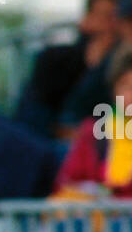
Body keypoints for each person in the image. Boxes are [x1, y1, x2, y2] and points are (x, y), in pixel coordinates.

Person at [15, 0, 120, 141]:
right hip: (51, 136)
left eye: (110, 18)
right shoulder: (55, 58)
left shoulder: (119, 64)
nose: (105, 25)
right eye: (100, 16)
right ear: (86, 19)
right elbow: (34, 109)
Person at [53, 45, 132, 199]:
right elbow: (69, 182)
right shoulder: (94, 131)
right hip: (100, 221)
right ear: (113, 89)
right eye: (125, 86)